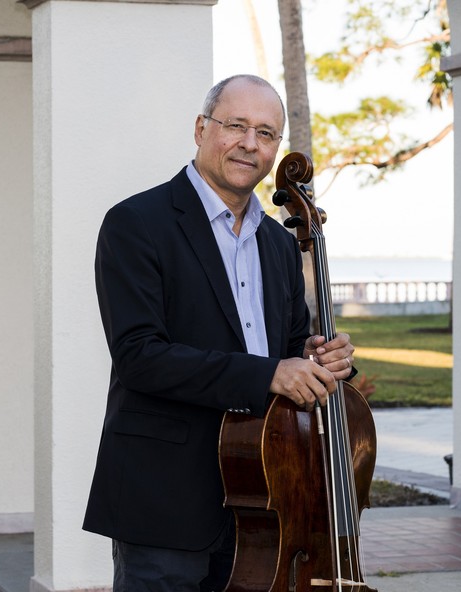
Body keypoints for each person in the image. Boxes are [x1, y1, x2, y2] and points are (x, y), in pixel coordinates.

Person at [83, 74, 356, 591]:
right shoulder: (135, 223)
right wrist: (271, 373)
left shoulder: (278, 244)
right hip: (165, 495)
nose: (250, 143)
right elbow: (141, 356)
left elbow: (290, 346)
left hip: (265, 494)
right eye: (236, 125)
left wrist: (318, 359)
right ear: (201, 129)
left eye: (267, 133)